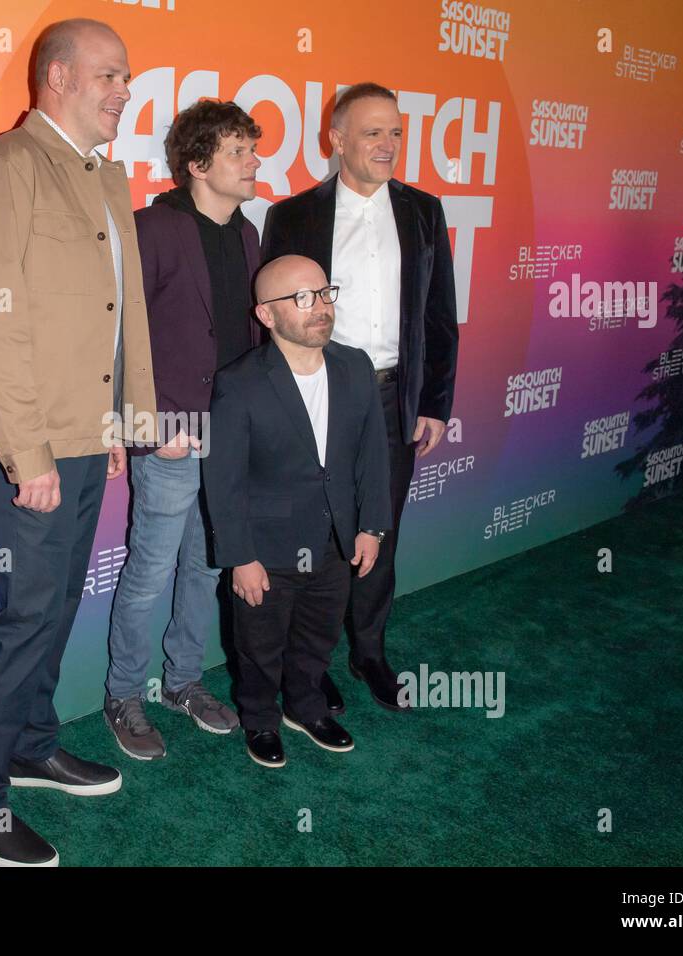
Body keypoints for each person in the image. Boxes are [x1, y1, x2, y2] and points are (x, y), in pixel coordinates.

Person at [0, 18, 157, 867]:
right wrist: (26, 454)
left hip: (81, 429)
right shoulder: (4, 170)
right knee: (25, 612)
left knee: (58, 602)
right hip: (15, 439)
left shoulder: (103, 178)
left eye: (126, 78)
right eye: (108, 76)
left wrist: (116, 425)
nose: (122, 93)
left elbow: (115, 312)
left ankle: (29, 743)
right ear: (57, 77)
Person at [261, 82, 459, 715]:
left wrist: (433, 403)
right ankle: (308, 665)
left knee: (381, 529)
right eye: (373, 132)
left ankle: (370, 651)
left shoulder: (425, 212)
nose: (388, 144)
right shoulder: (293, 217)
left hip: (395, 396)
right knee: (316, 537)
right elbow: (271, 318)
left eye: (396, 132)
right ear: (337, 139)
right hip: (321, 395)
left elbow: (439, 317)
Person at [102, 100, 263, 759]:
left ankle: (184, 681)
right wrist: (141, 425)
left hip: (231, 431)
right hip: (171, 430)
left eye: (252, 149)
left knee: (205, 566)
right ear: (197, 165)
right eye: (238, 152)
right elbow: (116, 332)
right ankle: (123, 695)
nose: (254, 161)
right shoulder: (154, 228)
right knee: (150, 569)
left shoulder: (249, 233)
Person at [202, 255, 392, 767]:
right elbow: (223, 480)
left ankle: (306, 708)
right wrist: (240, 557)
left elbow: (374, 455)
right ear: (266, 315)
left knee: (318, 636)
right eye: (302, 298)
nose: (321, 307)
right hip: (266, 548)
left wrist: (372, 526)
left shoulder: (354, 367)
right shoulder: (238, 382)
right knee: (259, 647)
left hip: (336, 541)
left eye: (325, 293)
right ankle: (260, 718)